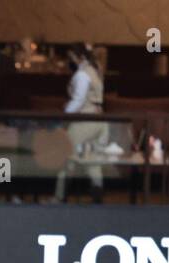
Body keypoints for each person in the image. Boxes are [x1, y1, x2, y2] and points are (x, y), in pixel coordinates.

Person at [54, 43, 108, 202]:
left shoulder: (82, 74)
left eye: (71, 58)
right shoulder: (95, 70)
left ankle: (59, 198)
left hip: (85, 120)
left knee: (66, 157)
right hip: (100, 120)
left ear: (80, 57)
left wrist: (64, 116)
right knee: (93, 161)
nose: (68, 61)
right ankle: (97, 199)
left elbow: (78, 99)